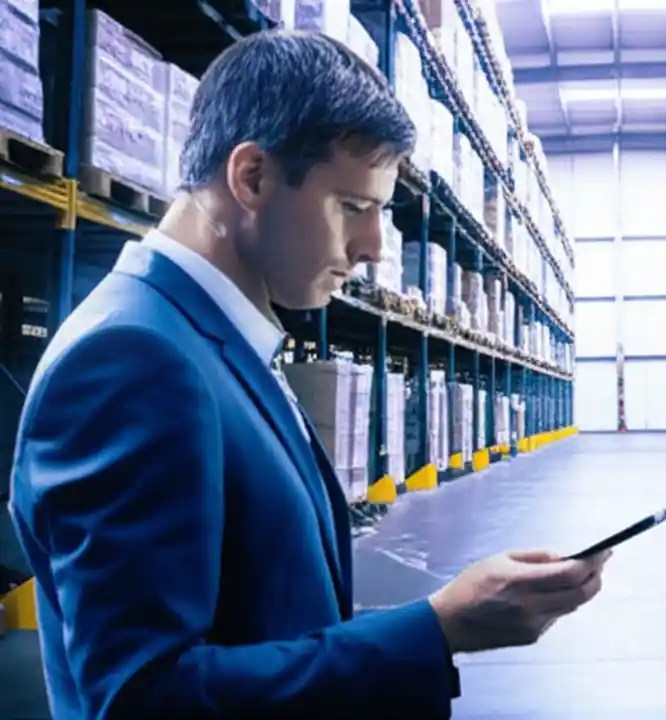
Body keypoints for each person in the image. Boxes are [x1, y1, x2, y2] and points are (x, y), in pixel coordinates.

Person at [7, 30, 609, 719]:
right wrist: (438, 628)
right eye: (354, 208)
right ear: (252, 177)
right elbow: (144, 696)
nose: (374, 248)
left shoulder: (214, 336)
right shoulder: (133, 360)